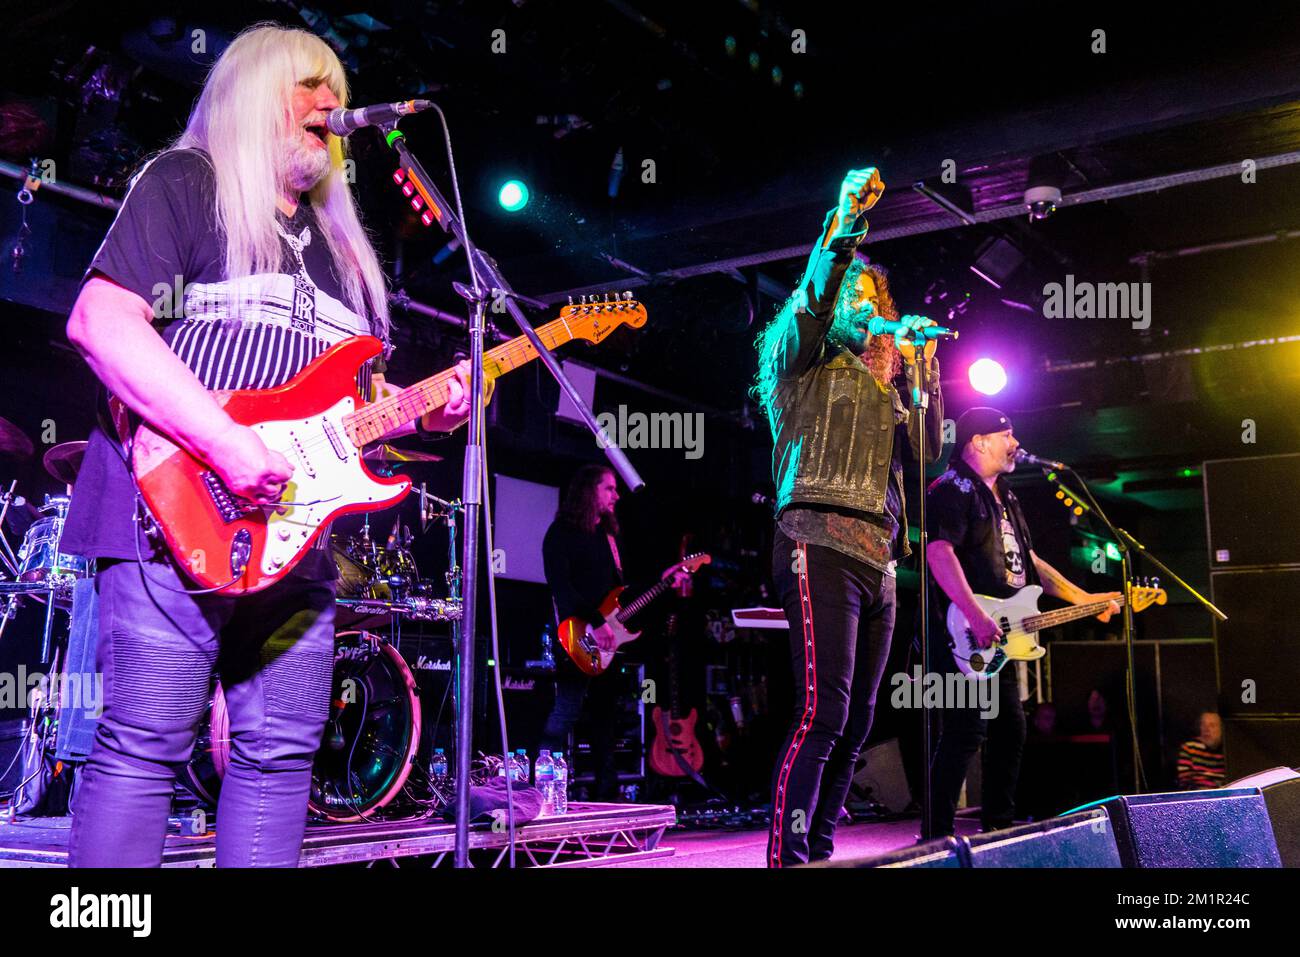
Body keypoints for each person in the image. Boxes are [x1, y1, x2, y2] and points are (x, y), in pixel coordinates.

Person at [61, 23, 477, 867]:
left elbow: (342, 414)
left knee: (282, 754)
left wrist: (421, 413)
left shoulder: (344, 251)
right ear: (252, 95)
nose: (332, 103)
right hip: (170, 514)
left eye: (338, 90)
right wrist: (225, 442)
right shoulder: (187, 182)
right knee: (145, 744)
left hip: (294, 537)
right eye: (308, 86)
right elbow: (101, 322)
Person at [750, 167, 944, 867]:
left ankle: (823, 846)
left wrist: (925, 369)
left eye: (874, 298)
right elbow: (814, 297)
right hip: (817, 539)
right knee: (823, 710)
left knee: (859, 718)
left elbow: (928, 450)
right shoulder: (799, 355)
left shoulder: (883, 386)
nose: (865, 306)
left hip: (878, 557)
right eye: (853, 294)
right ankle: (788, 853)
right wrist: (844, 224)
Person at [925, 407, 1121, 837]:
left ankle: (998, 829)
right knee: (964, 732)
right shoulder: (951, 488)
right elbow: (939, 552)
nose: (1015, 443)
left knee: (1011, 729)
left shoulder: (1007, 496)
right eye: (1006, 435)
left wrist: (1086, 599)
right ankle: (935, 834)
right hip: (961, 632)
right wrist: (975, 614)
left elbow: (1030, 563)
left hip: (1002, 635)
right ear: (979, 442)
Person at [538, 464, 686, 800]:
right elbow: (562, 590)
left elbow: (622, 593)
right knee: (567, 709)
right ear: (589, 490)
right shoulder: (561, 533)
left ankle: (608, 793)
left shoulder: (608, 536)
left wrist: (663, 580)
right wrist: (597, 622)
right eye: (609, 488)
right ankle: (542, 786)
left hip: (607, 640)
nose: (617, 495)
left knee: (606, 717)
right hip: (576, 636)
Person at [1176, 711, 1225, 789]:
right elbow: (1184, 782)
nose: (1206, 729)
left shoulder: (1229, 750)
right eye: (1203, 725)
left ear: (1222, 729)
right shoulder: (1189, 748)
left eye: (1212, 725)